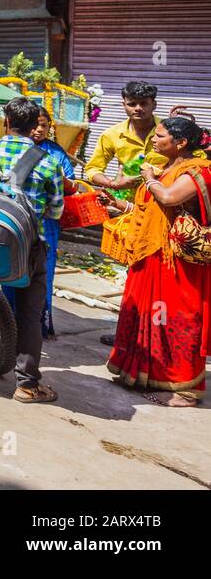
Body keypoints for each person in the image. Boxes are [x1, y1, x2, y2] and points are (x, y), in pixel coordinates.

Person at [0, 97, 65, 403]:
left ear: (6, 122)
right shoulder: (49, 162)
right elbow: (56, 211)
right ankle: (27, 384)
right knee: (31, 316)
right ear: (35, 127)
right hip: (31, 250)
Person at [104, 117, 211, 406]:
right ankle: (146, 374)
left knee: (176, 320)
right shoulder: (169, 167)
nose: (154, 139)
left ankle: (186, 391)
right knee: (147, 317)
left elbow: (166, 197)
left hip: (177, 263)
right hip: (151, 257)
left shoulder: (197, 171)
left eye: (160, 135)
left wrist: (149, 178)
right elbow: (155, 210)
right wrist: (120, 205)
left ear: (181, 143)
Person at [83, 80, 200, 343]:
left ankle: (158, 332)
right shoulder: (112, 135)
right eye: (131, 104)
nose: (138, 109)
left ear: (153, 105)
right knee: (134, 273)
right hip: (126, 209)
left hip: (166, 212)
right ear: (123, 104)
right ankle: (131, 329)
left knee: (165, 275)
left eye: (143, 104)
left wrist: (150, 180)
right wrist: (113, 184)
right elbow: (92, 169)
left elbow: (188, 165)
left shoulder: (169, 130)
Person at [2, 109, 77, 339]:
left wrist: (58, 180)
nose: (39, 130)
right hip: (19, 219)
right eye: (35, 125)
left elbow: (71, 184)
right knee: (10, 274)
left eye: (44, 125)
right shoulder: (10, 148)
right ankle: (9, 323)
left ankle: (40, 326)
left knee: (42, 275)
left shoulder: (55, 153)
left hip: (45, 226)